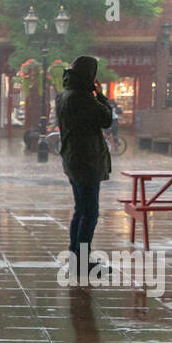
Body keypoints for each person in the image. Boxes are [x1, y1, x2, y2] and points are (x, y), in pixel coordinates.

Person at [57, 56, 114, 278]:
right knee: (90, 212)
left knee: (81, 210)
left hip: (73, 160)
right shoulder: (83, 98)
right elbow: (106, 119)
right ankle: (82, 262)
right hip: (87, 161)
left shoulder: (64, 96)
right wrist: (99, 93)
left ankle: (76, 258)